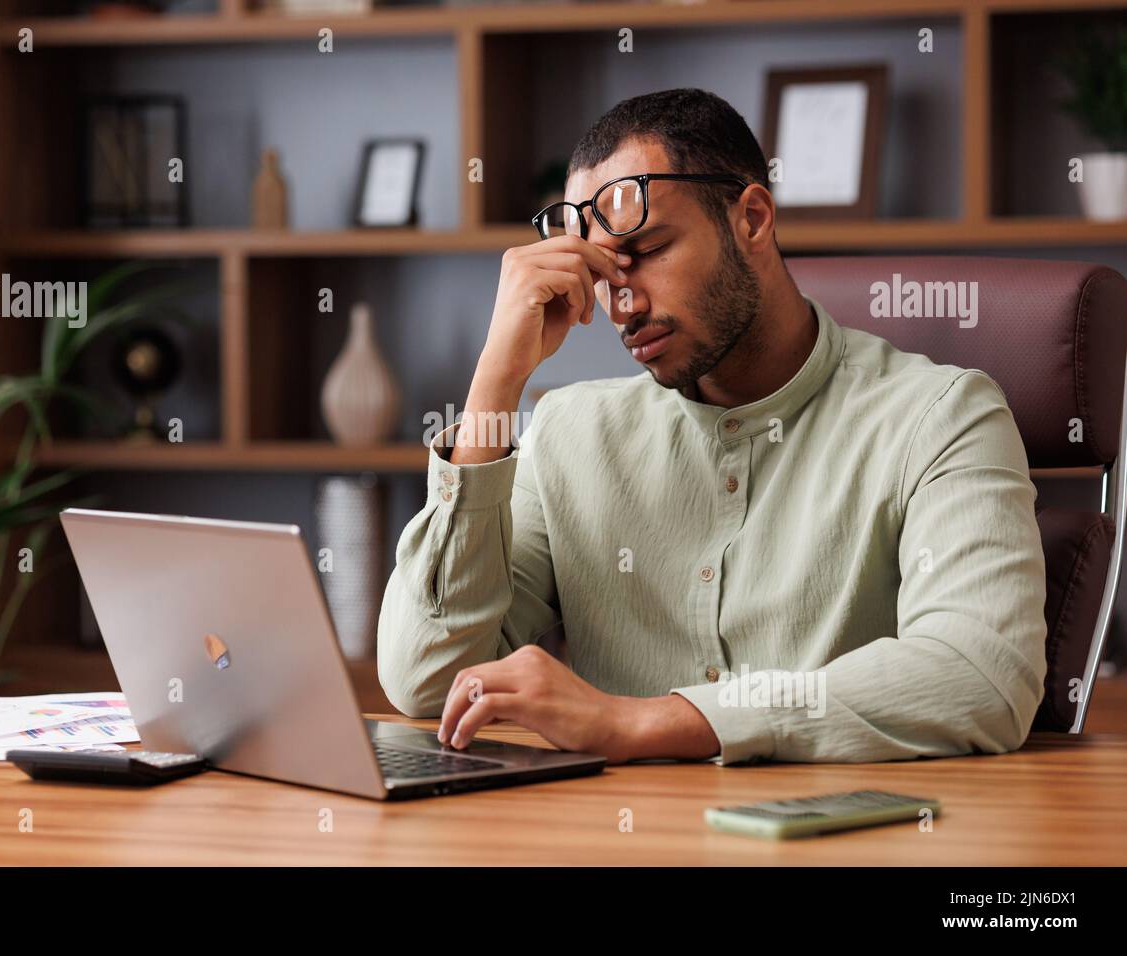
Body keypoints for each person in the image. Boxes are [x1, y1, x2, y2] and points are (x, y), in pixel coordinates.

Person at [376, 88, 1047, 765]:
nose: (622, 304)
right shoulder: (568, 433)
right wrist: (497, 376)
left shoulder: (942, 418)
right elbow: (426, 680)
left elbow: (979, 676)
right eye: (600, 272)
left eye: (647, 249)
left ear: (751, 219)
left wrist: (641, 723)